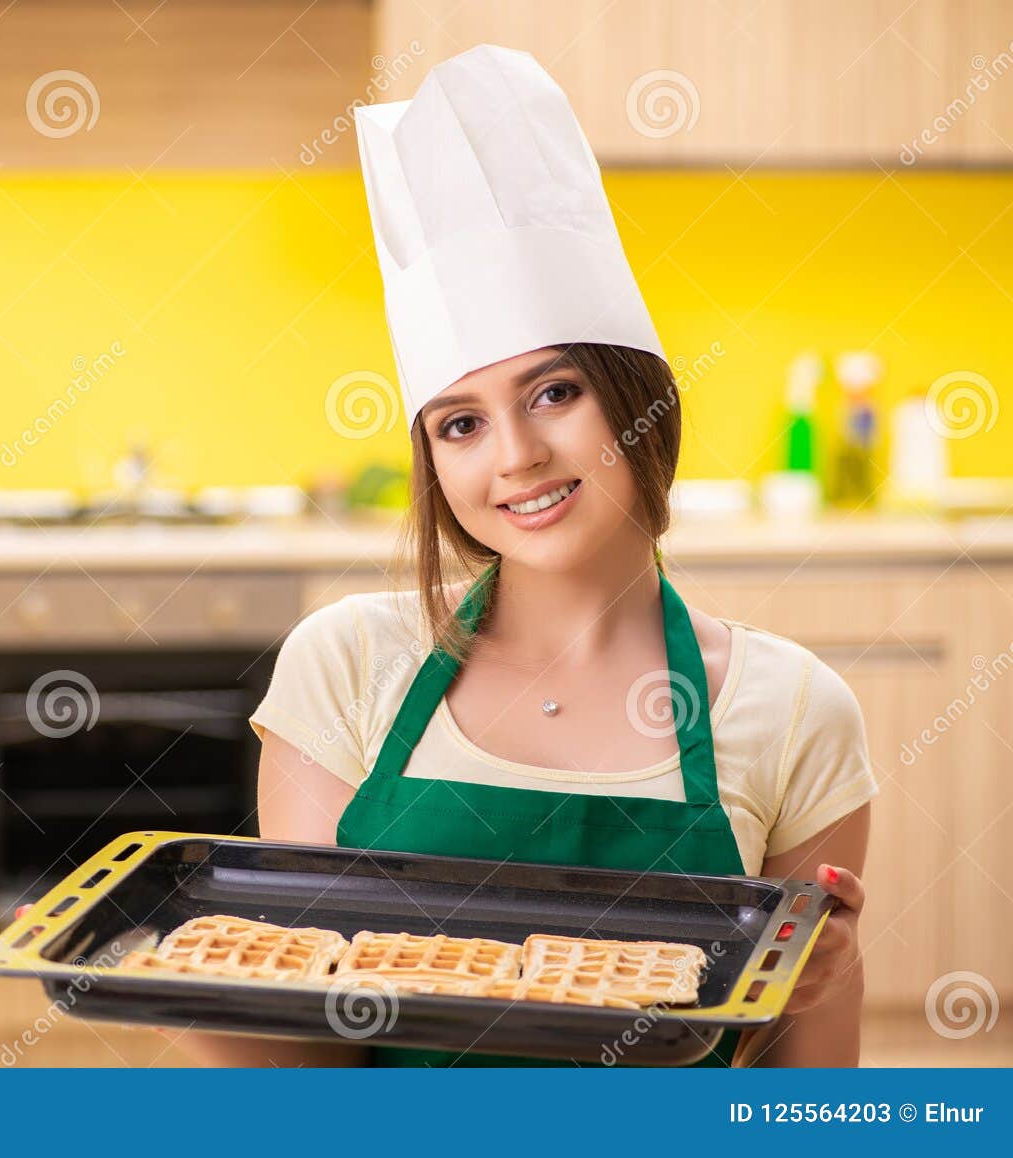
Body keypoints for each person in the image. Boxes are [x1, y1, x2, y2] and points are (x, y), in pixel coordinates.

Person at [171, 45, 876, 1067]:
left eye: (554, 393)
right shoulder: (346, 666)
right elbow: (303, 1074)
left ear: (634, 399)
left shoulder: (797, 711)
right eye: (459, 424)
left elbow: (806, 1109)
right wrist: (210, 999)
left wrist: (833, 975)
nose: (516, 458)